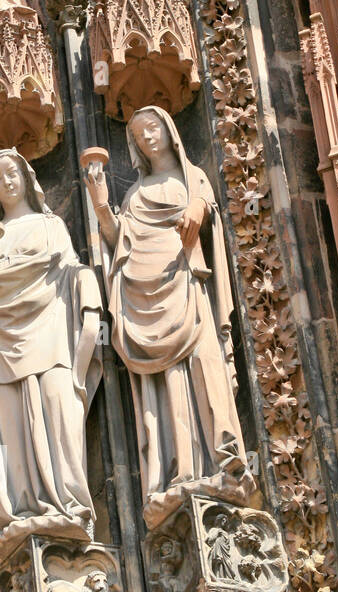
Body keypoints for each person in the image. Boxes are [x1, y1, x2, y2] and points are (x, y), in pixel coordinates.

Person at [85, 105, 254, 527]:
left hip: (185, 283)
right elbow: (118, 240)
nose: (148, 138)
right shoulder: (134, 194)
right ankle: (175, 471)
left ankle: (225, 459)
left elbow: (205, 213)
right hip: (145, 293)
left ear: (170, 130)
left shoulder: (192, 177)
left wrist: (199, 210)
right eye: (140, 135)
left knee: (204, 364)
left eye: (153, 128)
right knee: (162, 384)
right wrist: (102, 204)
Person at [0, 148, 103, 556]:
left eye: (11, 173)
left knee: (59, 409)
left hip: (52, 327)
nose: (7, 182)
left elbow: (70, 267)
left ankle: (69, 501)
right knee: (11, 426)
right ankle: (24, 506)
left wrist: (89, 289)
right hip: (2, 339)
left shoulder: (51, 225)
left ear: (25, 176)